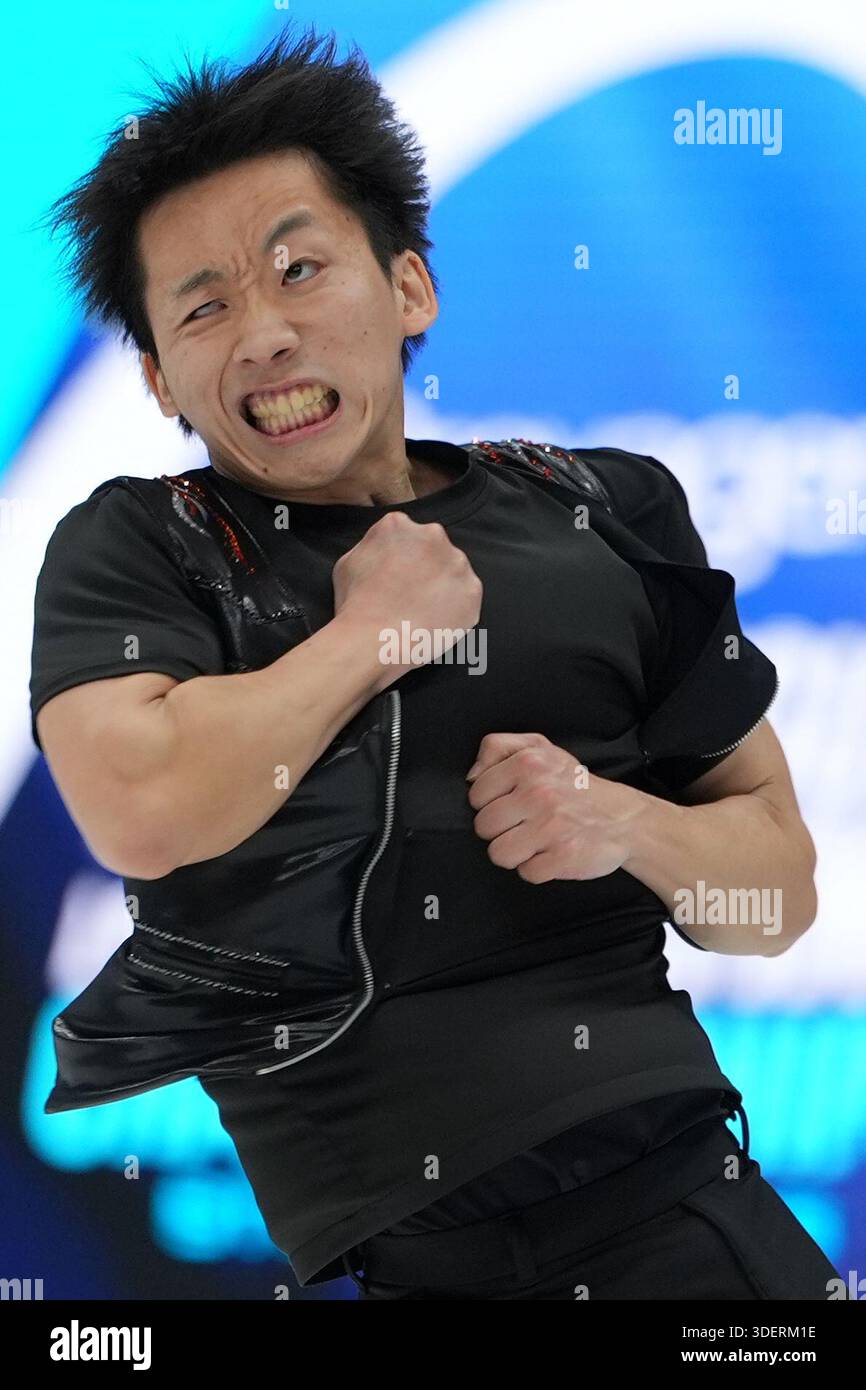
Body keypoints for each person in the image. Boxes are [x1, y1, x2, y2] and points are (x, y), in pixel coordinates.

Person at [30, 24, 843, 1299]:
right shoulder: (143, 551)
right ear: (157, 376)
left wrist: (619, 824)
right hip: (410, 1263)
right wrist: (370, 639)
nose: (262, 334)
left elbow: (774, 897)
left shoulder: (604, 509)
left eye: (299, 269)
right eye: (203, 306)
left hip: (689, 1222)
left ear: (408, 287)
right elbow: (141, 802)